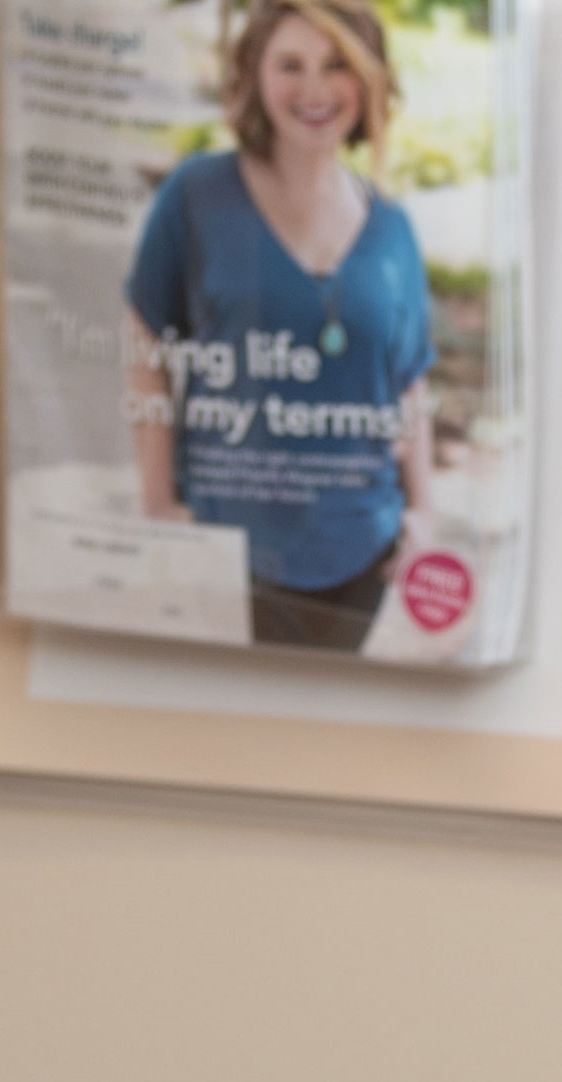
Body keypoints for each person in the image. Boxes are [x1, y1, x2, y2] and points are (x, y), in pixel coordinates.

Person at [126, 0, 439, 651]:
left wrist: (422, 516)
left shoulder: (392, 227)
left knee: (319, 734)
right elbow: (144, 344)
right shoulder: (196, 196)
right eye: (289, 65)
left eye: (336, 66)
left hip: (362, 554)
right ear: (255, 75)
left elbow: (408, 387)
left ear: (369, 80)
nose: (315, 89)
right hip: (224, 545)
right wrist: (158, 507)